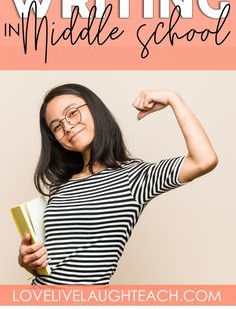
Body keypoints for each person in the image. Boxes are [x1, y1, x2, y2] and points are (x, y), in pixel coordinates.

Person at [18, 83, 218, 285]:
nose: (67, 127)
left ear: (95, 109)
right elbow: (55, 258)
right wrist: (28, 261)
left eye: (72, 113)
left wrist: (174, 99)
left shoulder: (133, 178)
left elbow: (204, 160)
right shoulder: (60, 185)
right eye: (57, 127)